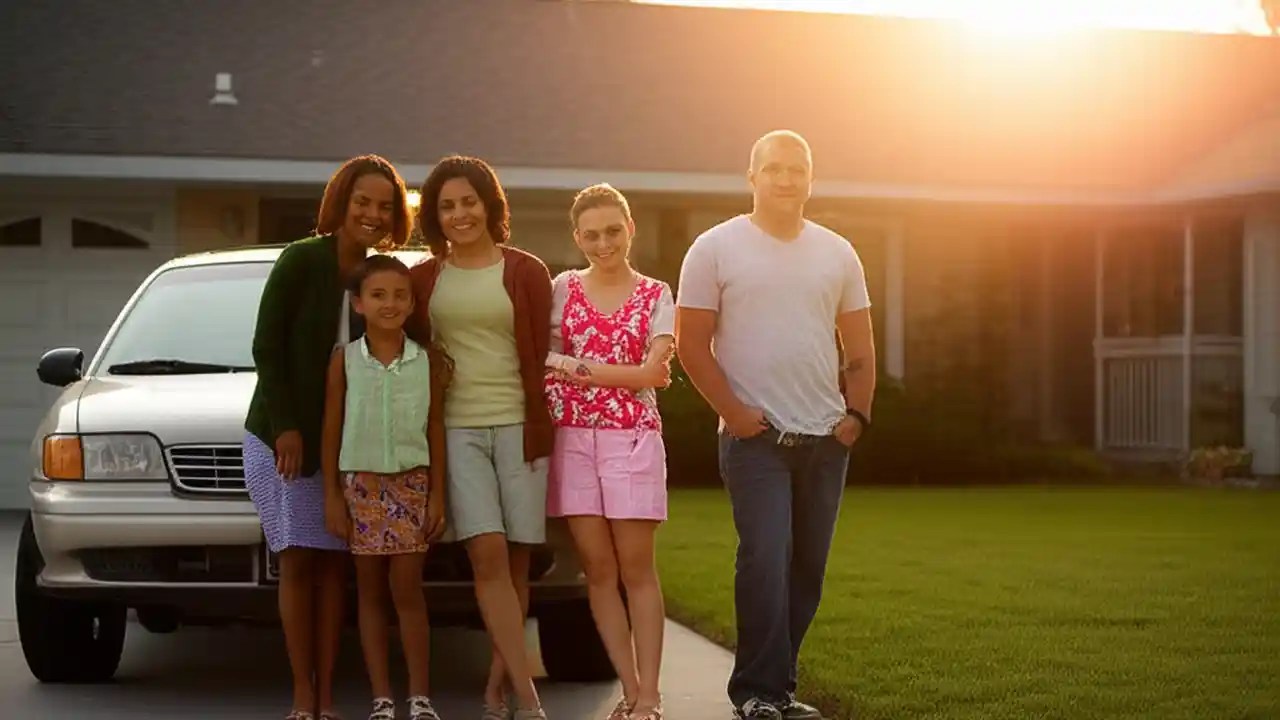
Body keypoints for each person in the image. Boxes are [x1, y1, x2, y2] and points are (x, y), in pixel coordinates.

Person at [674, 130, 876, 720]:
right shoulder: (715, 248)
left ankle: (778, 690)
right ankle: (756, 693)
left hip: (825, 440)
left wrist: (858, 415)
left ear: (810, 179)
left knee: (806, 571)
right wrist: (735, 415)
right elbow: (690, 345)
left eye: (797, 169)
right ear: (752, 176)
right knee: (765, 558)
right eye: (774, 169)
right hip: (755, 442)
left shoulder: (837, 252)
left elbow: (860, 346)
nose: (786, 179)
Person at [243, 154, 416, 720]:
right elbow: (267, 345)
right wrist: (286, 426)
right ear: (341, 203)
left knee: (335, 568)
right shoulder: (302, 260)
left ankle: (325, 698)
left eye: (384, 206)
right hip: (285, 437)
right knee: (298, 561)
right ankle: (302, 695)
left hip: (348, 445)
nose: (372, 214)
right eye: (362, 201)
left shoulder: (381, 275)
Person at [407, 155, 554, 720]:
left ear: (489, 205)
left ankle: (497, 688)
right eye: (447, 206)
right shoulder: (425, 279)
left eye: (469, 201)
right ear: (435, 216)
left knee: (516, 565)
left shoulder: (526, 271)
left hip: (521, 427)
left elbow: (543, 353)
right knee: (487, 555)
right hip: (458, 430)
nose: (460, 214)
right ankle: (530, 699)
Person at [543, 184, 675, 720]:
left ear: (630, 228)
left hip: (633, 438)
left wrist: (574, 367)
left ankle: (651, 696)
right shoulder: (563, 288)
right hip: (572, 440)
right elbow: (542, 356)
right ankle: (629, 689)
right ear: (577, 238)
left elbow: (654, 374)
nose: (604, 244)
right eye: (592, 235)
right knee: (597, 571)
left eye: (613, 231)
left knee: (637, 570)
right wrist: (616, 373)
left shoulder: (656, 295)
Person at [322, 254, 448, 720]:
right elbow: (331, 430)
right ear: (358, 303)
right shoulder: (344, 361)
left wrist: (438, 495)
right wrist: (333, 497)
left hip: (412, 484)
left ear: (413, 303)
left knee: (408, 591)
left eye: (399, 295)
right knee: (370, 593)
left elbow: (435, 428)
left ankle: (420, 698)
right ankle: (382, 699)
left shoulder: (426, 361)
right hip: (361, 486)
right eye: (378, 295)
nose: (389, 303)